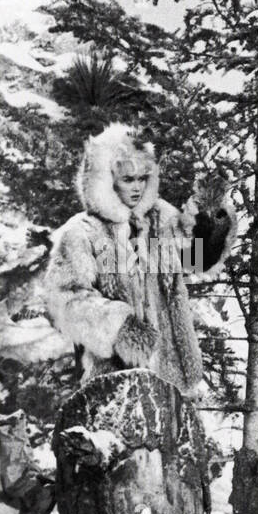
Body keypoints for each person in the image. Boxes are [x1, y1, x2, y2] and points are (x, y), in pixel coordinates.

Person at [44, 124, 207, 398]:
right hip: (114, 379)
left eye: (143, 178)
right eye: (128, 179)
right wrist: (120, 328)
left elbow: (196, 261)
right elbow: (65, 298)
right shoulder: (83, 231)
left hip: (174, 377)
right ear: (106, 179)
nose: (137, 187)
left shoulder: (161, 219)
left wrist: (209, 222)